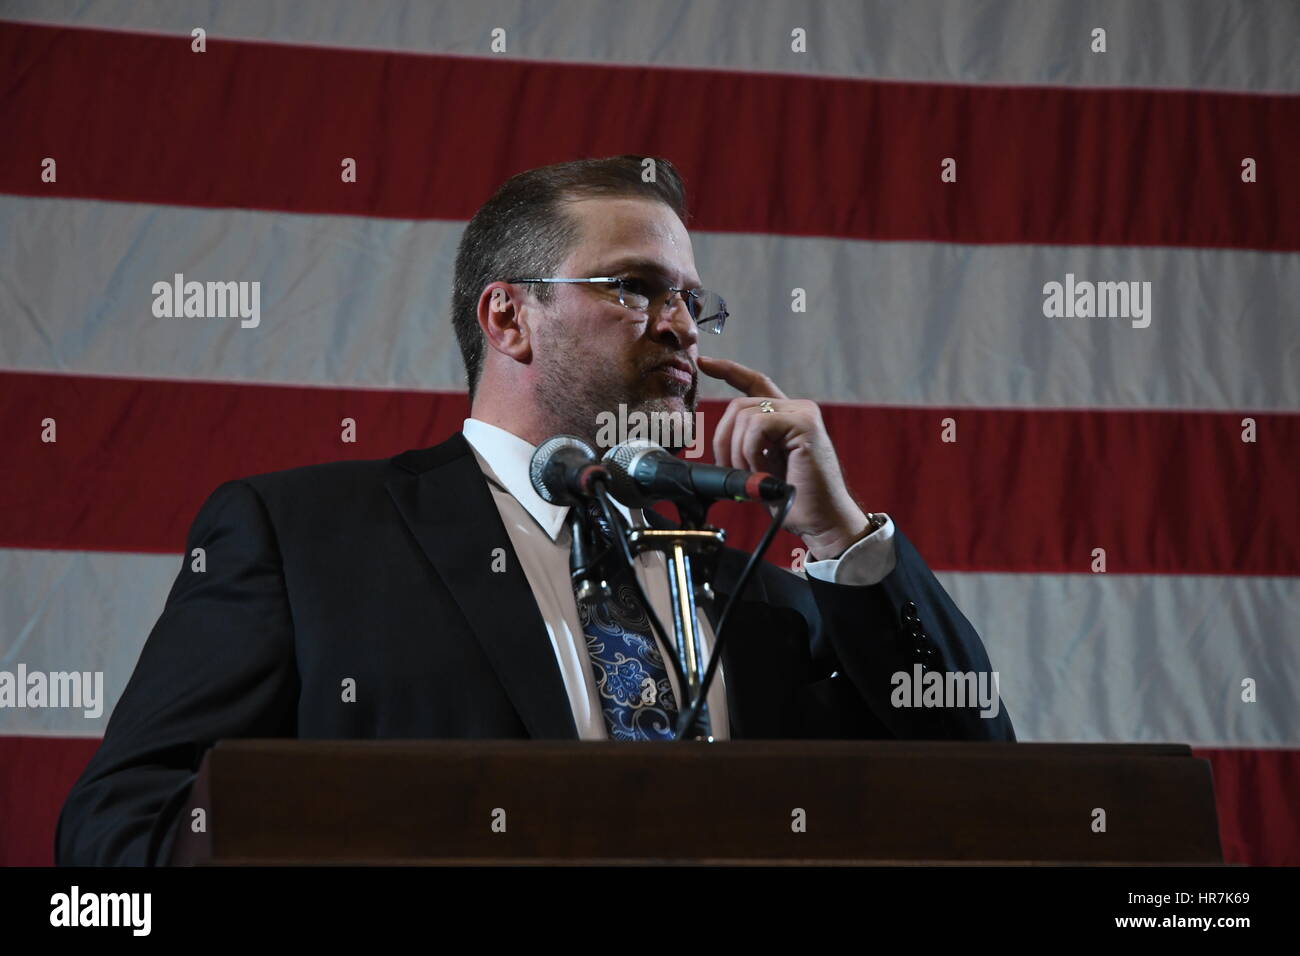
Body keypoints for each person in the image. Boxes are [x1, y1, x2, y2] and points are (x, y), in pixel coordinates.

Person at [56, 155, 1014, 866]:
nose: (680, 324)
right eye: (635, 287)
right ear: (508, 317)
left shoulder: (766, 597)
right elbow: (118, 838)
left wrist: (839, 535)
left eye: (691, 300)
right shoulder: (305, 540)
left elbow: (979, 786)